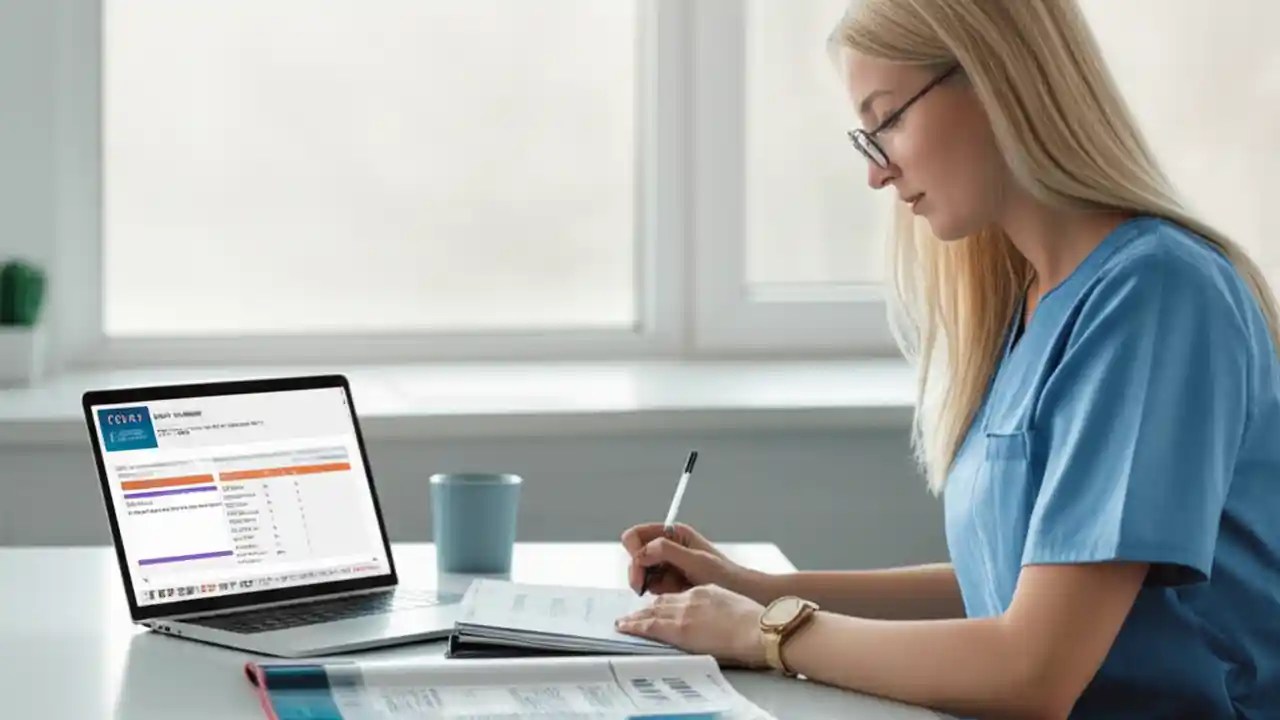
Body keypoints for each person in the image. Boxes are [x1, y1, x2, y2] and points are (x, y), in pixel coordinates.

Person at [613, 1, 1280, 718]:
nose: (878, 174)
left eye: (889, 119)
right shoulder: (1032, 301)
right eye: (866, 137)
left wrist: (766, 631)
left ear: (997, 77)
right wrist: (751, 588)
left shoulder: (1156, 295)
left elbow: (1033, 668)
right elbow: (1010, 587)